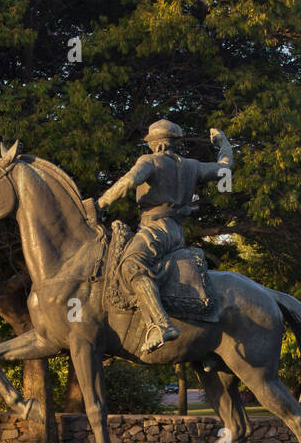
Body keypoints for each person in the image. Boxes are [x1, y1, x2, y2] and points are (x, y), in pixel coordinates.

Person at [97, 120, 233, 354]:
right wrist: (224, 143)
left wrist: (100, 203)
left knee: (130, 265)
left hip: (155, 229)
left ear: (156, 144)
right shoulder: (192, 166)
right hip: (177, 231)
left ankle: (160, 324)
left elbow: (129, 181)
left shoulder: (148, 161)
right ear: (173, 143)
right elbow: (225, 168)